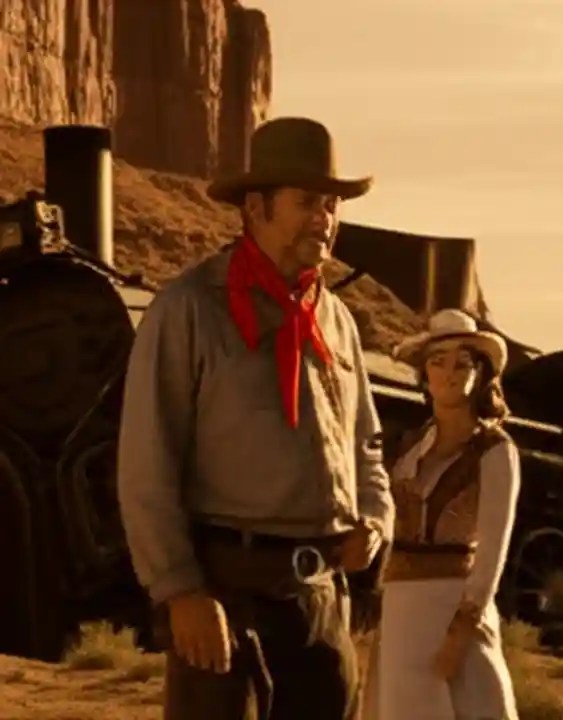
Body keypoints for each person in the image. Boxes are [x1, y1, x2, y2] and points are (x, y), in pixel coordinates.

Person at [115, 116, 395, 720]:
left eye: (331, 204)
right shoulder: (189, 310)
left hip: (321, 603)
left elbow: (366, 445)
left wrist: (373, 519)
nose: (324, 218)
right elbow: (147, 461)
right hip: (224, 596)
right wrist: (180, 590)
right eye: (306, 203)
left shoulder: (337, 320)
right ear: (255, 207)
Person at [368, 308, 521, 720]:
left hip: (454, 606)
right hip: (402, 609)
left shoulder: (494, 450)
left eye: (462, 363)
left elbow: (492, 550)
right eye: (438, 362)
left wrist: (462, 630)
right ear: (423, 373)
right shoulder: (409, 447)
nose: (450, 373)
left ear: (480, 374)